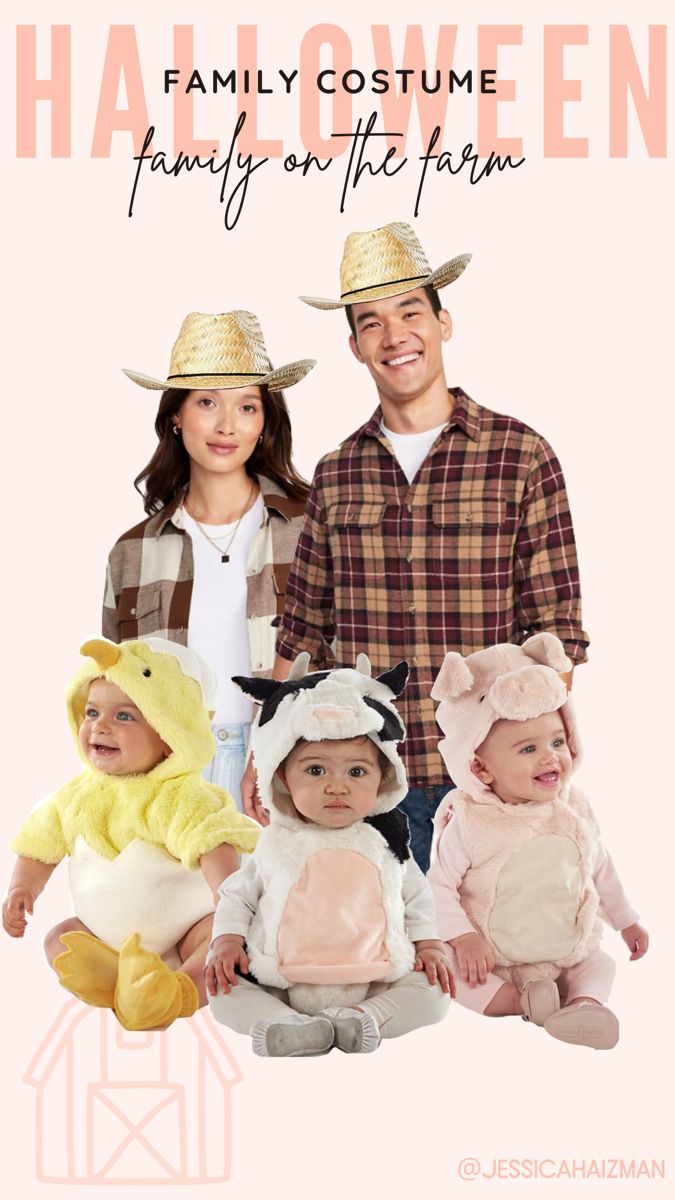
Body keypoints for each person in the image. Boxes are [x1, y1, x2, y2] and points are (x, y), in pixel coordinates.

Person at [272, 221, 589, 871]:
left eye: (409, 311)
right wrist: (268, 757)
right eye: (370, 322)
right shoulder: (335, 473)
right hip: (368, 785)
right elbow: (300, 637)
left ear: (444, 322)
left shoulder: (520, 457)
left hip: (486, 793)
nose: (393, 336)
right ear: (355, 346)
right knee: (376, 964)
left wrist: (517, 763)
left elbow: (557, 636)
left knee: (500, 963)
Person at [103, 310, 314, 811]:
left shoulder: (310, 531)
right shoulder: (131, 553)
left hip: (286, 769)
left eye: (247, 407)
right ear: (176, 415)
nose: (226, 426)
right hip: (168, 775)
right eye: (206, 403)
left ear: (265, 421)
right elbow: (116, 695)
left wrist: (270, 757)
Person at [2, 637, 259, 1030]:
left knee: (215, 945)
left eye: (124, 716)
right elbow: (40, 845)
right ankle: (114, 982)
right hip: (106, 938)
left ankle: (176, 993)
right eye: (91, 712)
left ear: (171, 732)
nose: (99, 726)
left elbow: (212, 846)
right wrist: (23, 889)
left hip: (184, 933)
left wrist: (229, 906)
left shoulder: (182, 796)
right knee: (60, 938)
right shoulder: (76, 796)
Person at [206, 653, 453, 1057]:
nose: (336, 787)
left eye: (356, 772)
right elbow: (238, 895)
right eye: (316, 771)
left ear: (383, 777)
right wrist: (226, 941)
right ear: (282, 776)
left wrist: (429, 946)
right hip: (282, 981)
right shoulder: (275, 841)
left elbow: (416, 897)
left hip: (373, 977)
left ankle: (361, 1017)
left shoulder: (385, 843)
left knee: (435, 993)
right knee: (222, 992)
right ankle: (286, 1023)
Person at [427, 633, 648, 1049]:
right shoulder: (473, 821)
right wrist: (464, 938)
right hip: (490, 953)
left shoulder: (571, 809)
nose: (550, 757)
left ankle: (584, 1004)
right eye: (528, 748)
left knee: (600, 963)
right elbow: (438, 886)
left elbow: (598, 867)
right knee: (453, 975)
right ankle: (521, 1001)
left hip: (561, 950)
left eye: (558, 742)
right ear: (481, 766)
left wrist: (626, 919)